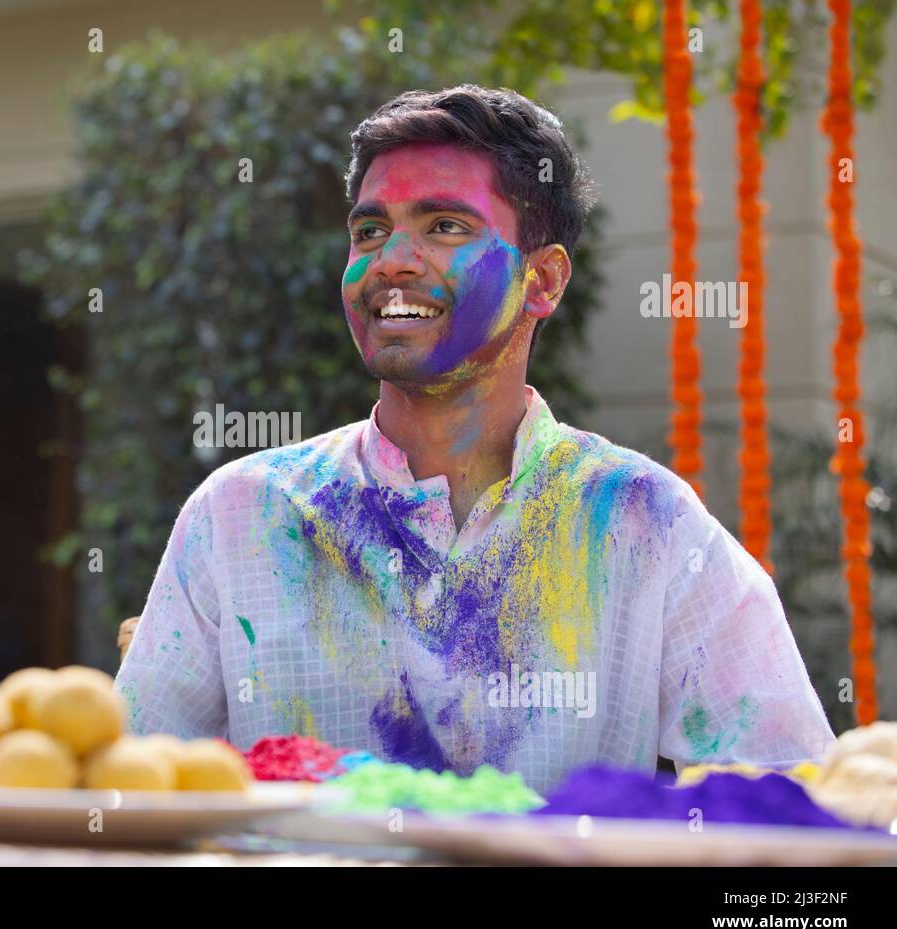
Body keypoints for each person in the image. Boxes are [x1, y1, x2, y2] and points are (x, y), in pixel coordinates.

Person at [115, 85, 833, 793]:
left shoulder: (646, 524)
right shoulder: (241, 515)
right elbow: (133, 795)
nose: (391, 260)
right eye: (369, 231)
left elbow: (788, 806)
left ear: (543, 280)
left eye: (445, 227)